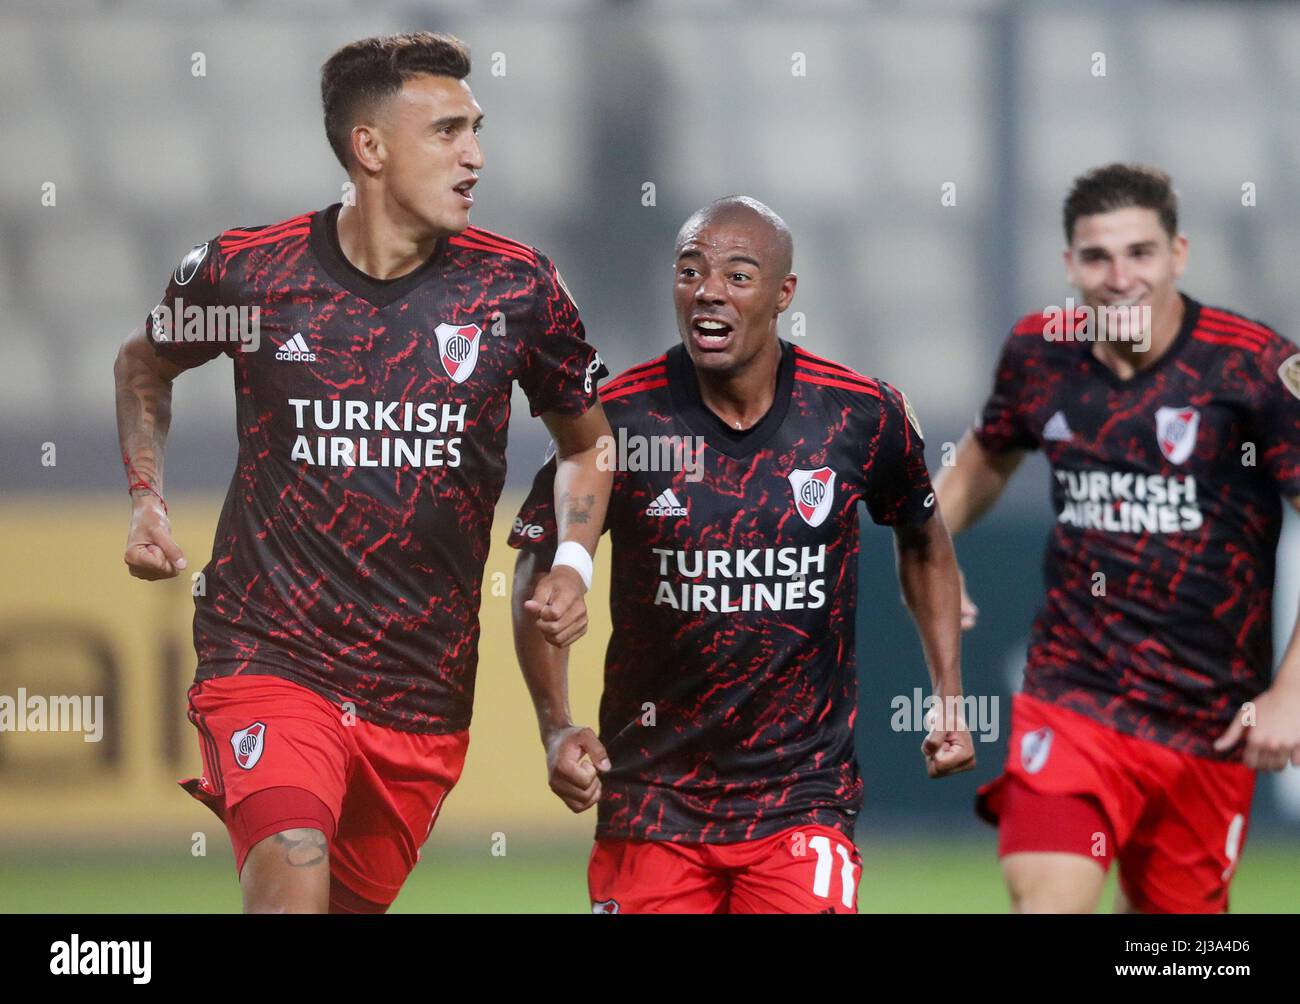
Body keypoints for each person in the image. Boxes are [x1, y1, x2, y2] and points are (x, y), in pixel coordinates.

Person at [113, 31, 611, 913]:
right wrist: (145, 497)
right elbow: (142, 367)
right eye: (448, 131)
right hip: (269, 654)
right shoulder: (249, 274)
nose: (476, 156)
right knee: (290, 858)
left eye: (477, 129)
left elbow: (587, 444)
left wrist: (573, 564)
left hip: (419, 695)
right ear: (369, 148)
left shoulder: (518, 291)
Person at [510, 196, 974, 914]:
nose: (708, 291)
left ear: (783, 295)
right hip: (652, 800)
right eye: (690, 270)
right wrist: (554, 724)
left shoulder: (859, 416)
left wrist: (947, 695)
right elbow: (539, 565)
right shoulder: (619, 419)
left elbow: (922, 540)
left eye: (737, 274)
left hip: (802, 798)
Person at [933, 162, 1300, 913]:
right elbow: (984, 460)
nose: (1119, 276)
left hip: (1208, 721)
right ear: (1070, 263)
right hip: (1074, 697)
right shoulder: (1040, 353)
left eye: (1140, 253)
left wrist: (1292, 691)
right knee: (1050, 901)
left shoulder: (1254, 368)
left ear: (1179, 255)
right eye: (1097, 257)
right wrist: (930, 552)